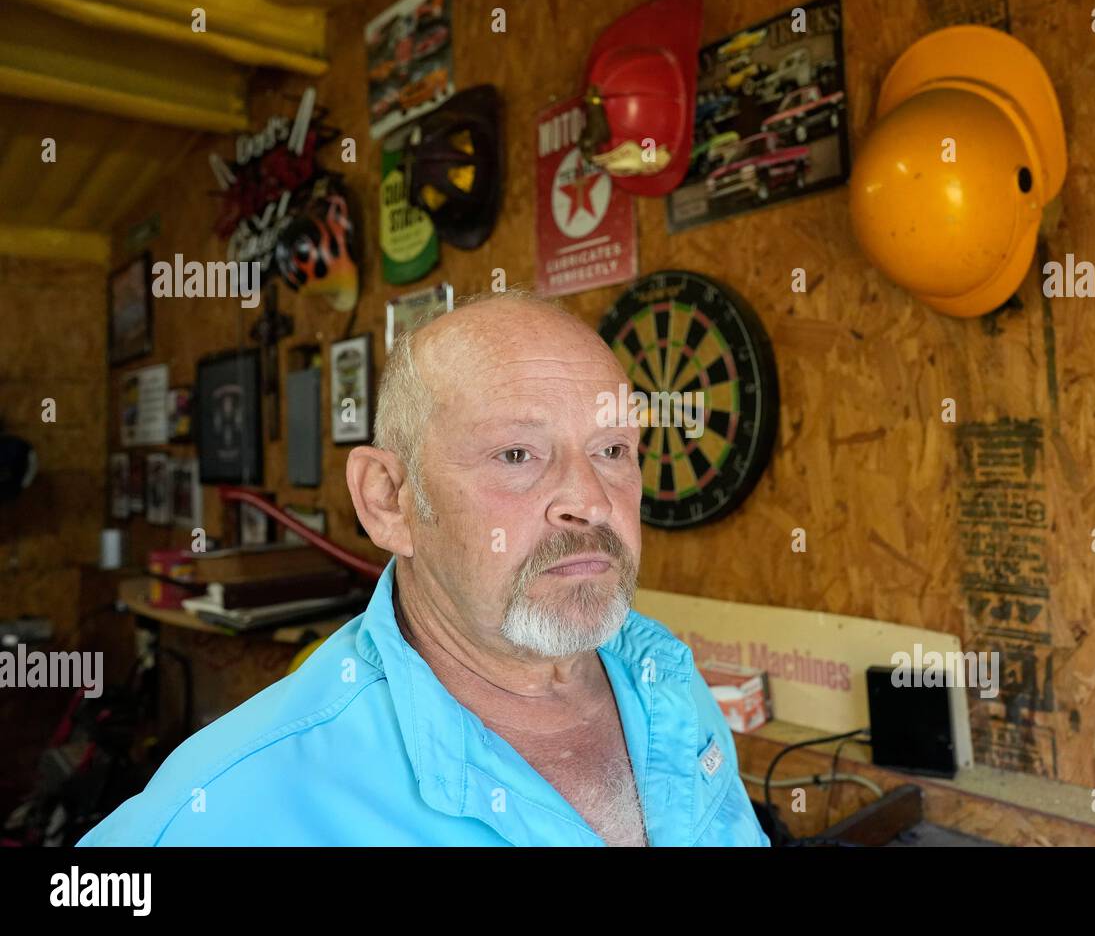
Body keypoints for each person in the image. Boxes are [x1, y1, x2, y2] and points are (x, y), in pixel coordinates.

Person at [78, 291, 770, 846]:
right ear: (388, 501)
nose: (589, 500)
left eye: (614, 450)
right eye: (517, 455)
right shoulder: (239, 797)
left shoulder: (668, 685)